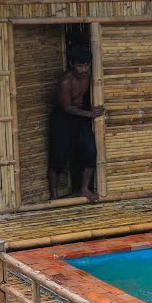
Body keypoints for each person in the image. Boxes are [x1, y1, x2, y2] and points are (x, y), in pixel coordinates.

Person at [48, 44, 104, 202]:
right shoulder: (66, 82)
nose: (84, 69)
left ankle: (84, 189)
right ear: (72, 64)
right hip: (63, 118)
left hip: (81, 116)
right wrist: (90, 114)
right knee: (59, 156)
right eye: (80, 65)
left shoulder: (90, 74)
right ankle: (54, 194)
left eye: (86, 65)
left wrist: (91, 110)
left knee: (90, 150)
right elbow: (67, 108)